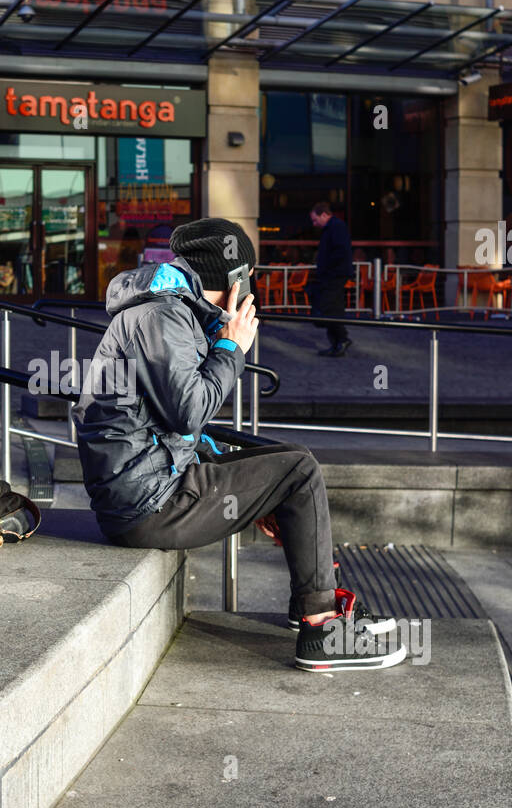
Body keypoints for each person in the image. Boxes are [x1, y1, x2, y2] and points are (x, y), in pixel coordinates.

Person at [72, 217, 405, 672]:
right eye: (250, 275)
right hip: (147, 505)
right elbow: (187, 413)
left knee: (286, 462)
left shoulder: (170, 310)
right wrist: (232, 348)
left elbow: (173, 428)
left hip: (148, 486)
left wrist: (259, 493)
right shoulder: (162, 316)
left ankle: (310, 602)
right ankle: (322, 626)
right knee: (299, 470)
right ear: (235, 279)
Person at [309, 202, 354, 357]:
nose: (315, 224)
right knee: (333, 308)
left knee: (327, 307)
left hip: (334, 275)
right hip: (333, 274)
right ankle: (338, 342)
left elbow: (340, 252)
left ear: (324, 215)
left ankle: (341, 339)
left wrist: (327, 268)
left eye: (315, 220)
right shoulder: (334, 227)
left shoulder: (335, 227)